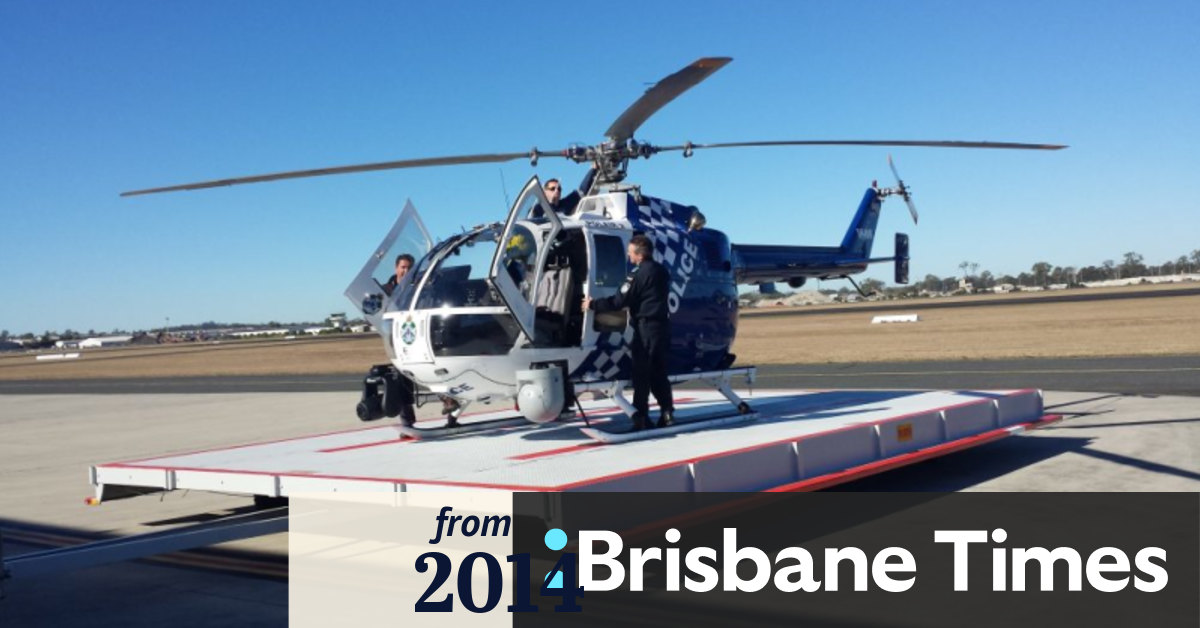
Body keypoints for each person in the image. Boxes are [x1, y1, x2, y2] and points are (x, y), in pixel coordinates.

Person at [582, 234, 675, 430]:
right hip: (662, 328)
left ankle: (641, 417)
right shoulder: (661, 271)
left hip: (645, 329)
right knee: (659, 372)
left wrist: (593, 304)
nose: (628, 256)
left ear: (639, 255)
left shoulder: (637, 274)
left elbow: (619, 301)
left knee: (641, 374)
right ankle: (667, 412)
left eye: (630, 252)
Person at [378, 252, 460, 426]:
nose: (406, 271)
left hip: (419, 337)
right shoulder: (385, 291)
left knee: (433, 371)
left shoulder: (422, 287)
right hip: (398, 341)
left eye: (410, 268)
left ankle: (451, 414)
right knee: (401, 380)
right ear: (396, 268)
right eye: (403, 267)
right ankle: (407, 423)